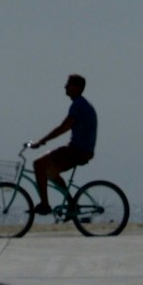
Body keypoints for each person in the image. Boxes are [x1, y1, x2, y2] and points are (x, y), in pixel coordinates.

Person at [27, 75, 97, 218]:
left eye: (68, 84)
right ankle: (72, 204)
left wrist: (41, 141)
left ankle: (45, 204)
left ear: (76, 88)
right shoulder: (83, 104)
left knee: (38, 164)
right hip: (82, 150)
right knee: (51, 172)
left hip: (77, 150)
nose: (65, 87)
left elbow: (63, 127)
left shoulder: (78, 105)